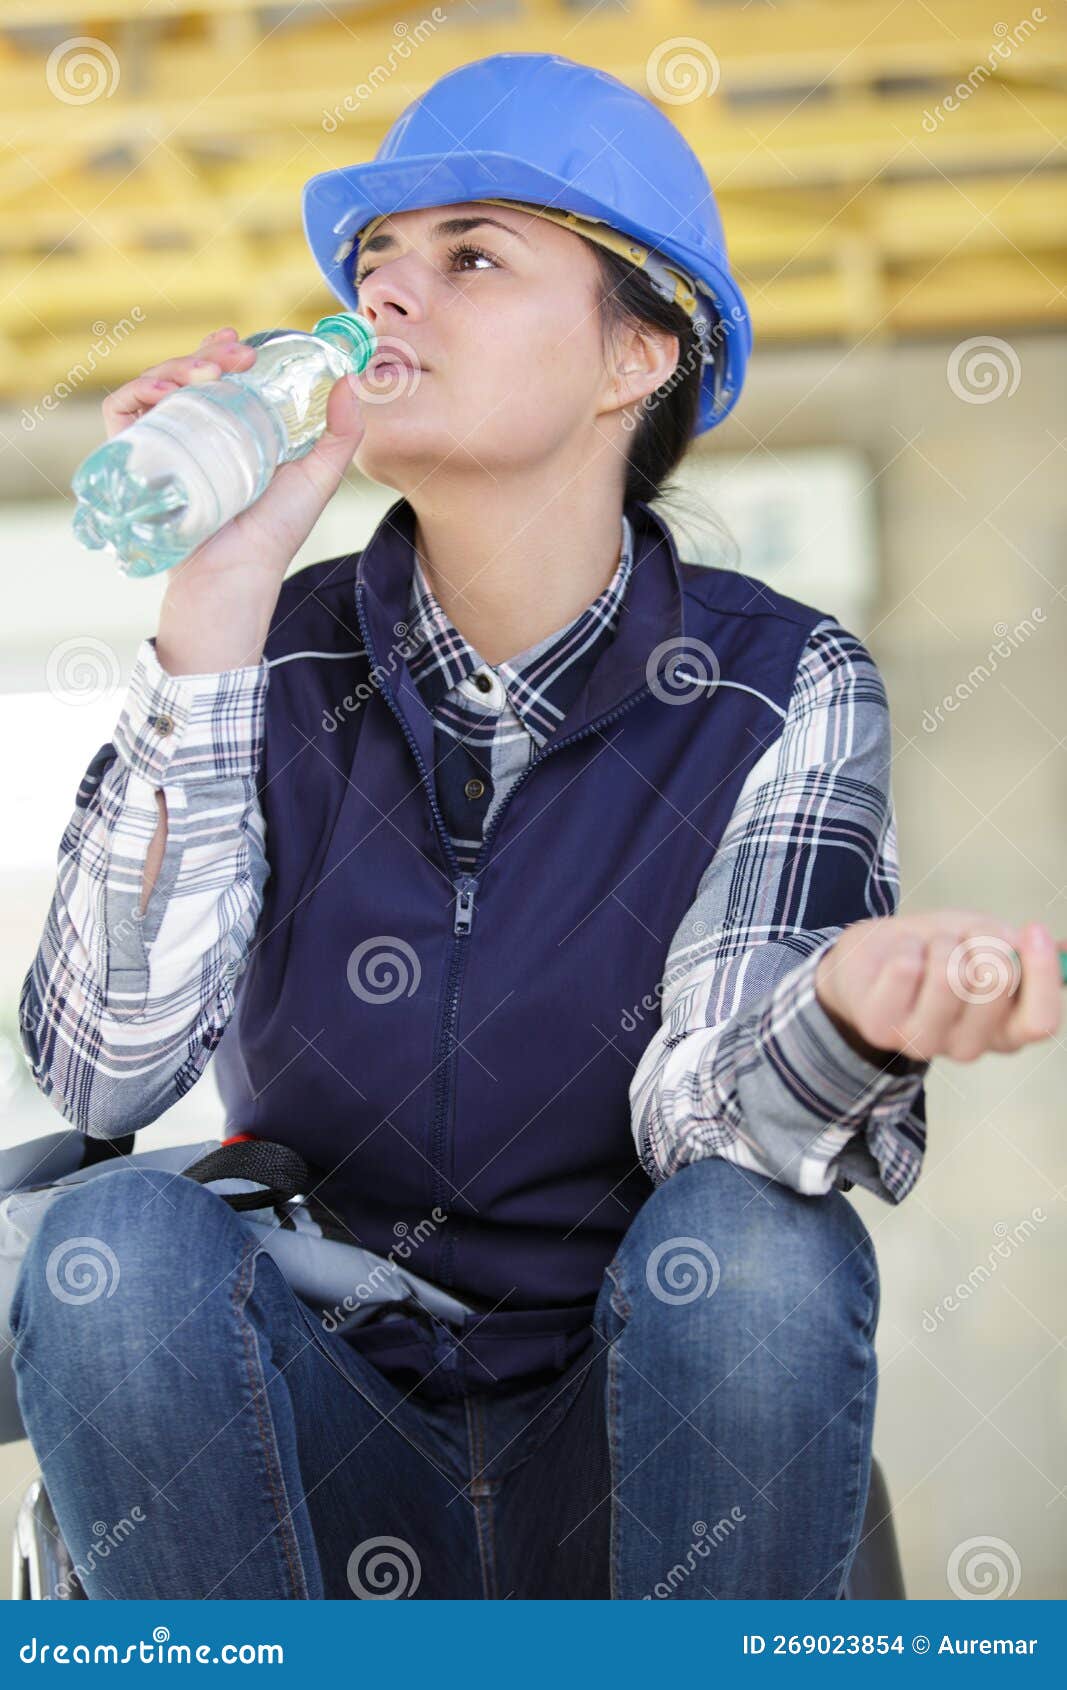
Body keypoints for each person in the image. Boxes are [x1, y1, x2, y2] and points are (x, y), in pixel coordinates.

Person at [12, 53, 1062, 1601]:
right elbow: (102, 1063)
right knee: (108, 1242)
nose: (389, 298)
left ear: (638, 353)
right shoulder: (271, 661)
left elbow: (706, 1122)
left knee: (763, 1251)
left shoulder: (779, 684)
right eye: (375, 263)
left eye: (471, 257)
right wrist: (213, 620)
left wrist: (834, 1015)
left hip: (637, 1453)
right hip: (306, 1451)